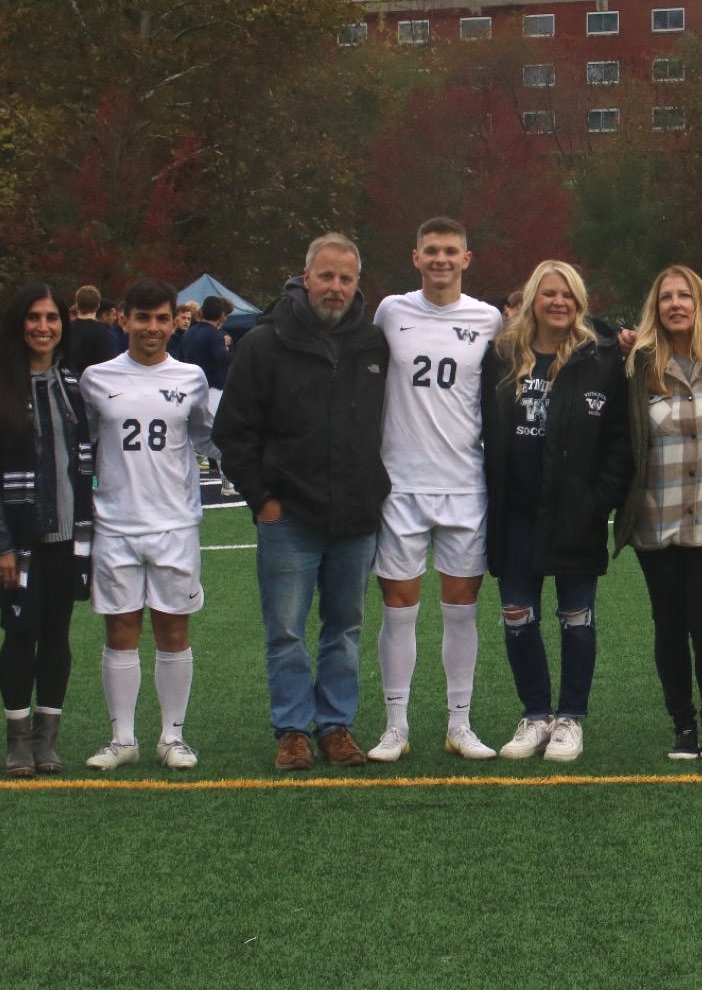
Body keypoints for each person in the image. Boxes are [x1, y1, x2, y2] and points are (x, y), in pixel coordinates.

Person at [215, 234, 390, 771]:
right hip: (288, 515)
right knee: (286, 631)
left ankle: (335, 726)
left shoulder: (374, 343)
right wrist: (262, 499)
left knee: (346, 630)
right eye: (327, 276)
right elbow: (233, 432)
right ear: (305, 276)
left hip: (356, 515)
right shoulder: (264, 343)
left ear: (357, 284)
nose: (335, 287)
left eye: (346, 278)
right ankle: (291, 729)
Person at [481, 261, 632, 763]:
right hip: (516, 512)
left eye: (568, 294)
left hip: (575, 513)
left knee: (576, 618)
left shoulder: (601, 359)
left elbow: (618, 441)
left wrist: (598, 498)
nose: (559, 302)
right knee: (518, 617)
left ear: (580, 301)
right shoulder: (501, 356)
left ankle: (570, 717)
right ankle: (536, 715)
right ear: (532, 300)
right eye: (549, 293)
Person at [367, 217, 504, 762]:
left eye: (450, 251)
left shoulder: (488, 318)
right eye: (431, 250)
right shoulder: (390, 311)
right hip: (399, 485)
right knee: (399, 607)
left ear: (467, 259)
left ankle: (459, 725)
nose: (440, 259)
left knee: (461, 607)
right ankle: (395, 726)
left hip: (464, 484)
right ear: (416, 257)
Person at [616, 265, 702, 760]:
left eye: (684, 296)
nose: (675, 304)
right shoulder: (637, 365)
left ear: (700, 303)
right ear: (654, 309)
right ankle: (683, 725)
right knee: (670, 626)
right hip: (657, 517)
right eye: (666, 298)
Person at [78, 279, 219, 770]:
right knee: (120, 629)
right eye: (142, 318)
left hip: (175, 523)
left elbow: (206, 437)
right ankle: (123, 739)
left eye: (161, 318)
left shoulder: (191, 377)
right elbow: (83, 445)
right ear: (123, 319)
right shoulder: (96, 378)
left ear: (175, 320)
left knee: (173, 629)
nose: (152, 328)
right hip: (114, 523)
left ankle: (172, 737)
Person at [0, 284, 95, 776]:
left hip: (67, 532)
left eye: (52, 317)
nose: (43, 327)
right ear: (18, 323)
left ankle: (47, 738)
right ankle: (18, 738)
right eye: (34, 317)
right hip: (14, 537)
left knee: (57, 631)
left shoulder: (74, 382)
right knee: (21, 629)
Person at [183, 295, 236, 497]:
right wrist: (232, 353)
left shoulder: (190, 332)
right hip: (211, 389)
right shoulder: (214, 335)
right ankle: (228, 482)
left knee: (188, 436)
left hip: (189, 388)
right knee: (223, 436)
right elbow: (223, 359)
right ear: (221, 315)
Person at [64, 285, 118, 375]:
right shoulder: (107, 335)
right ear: (98, 305)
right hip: (95, 381)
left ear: (77, 305)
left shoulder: (65, 330)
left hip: (68, 380)